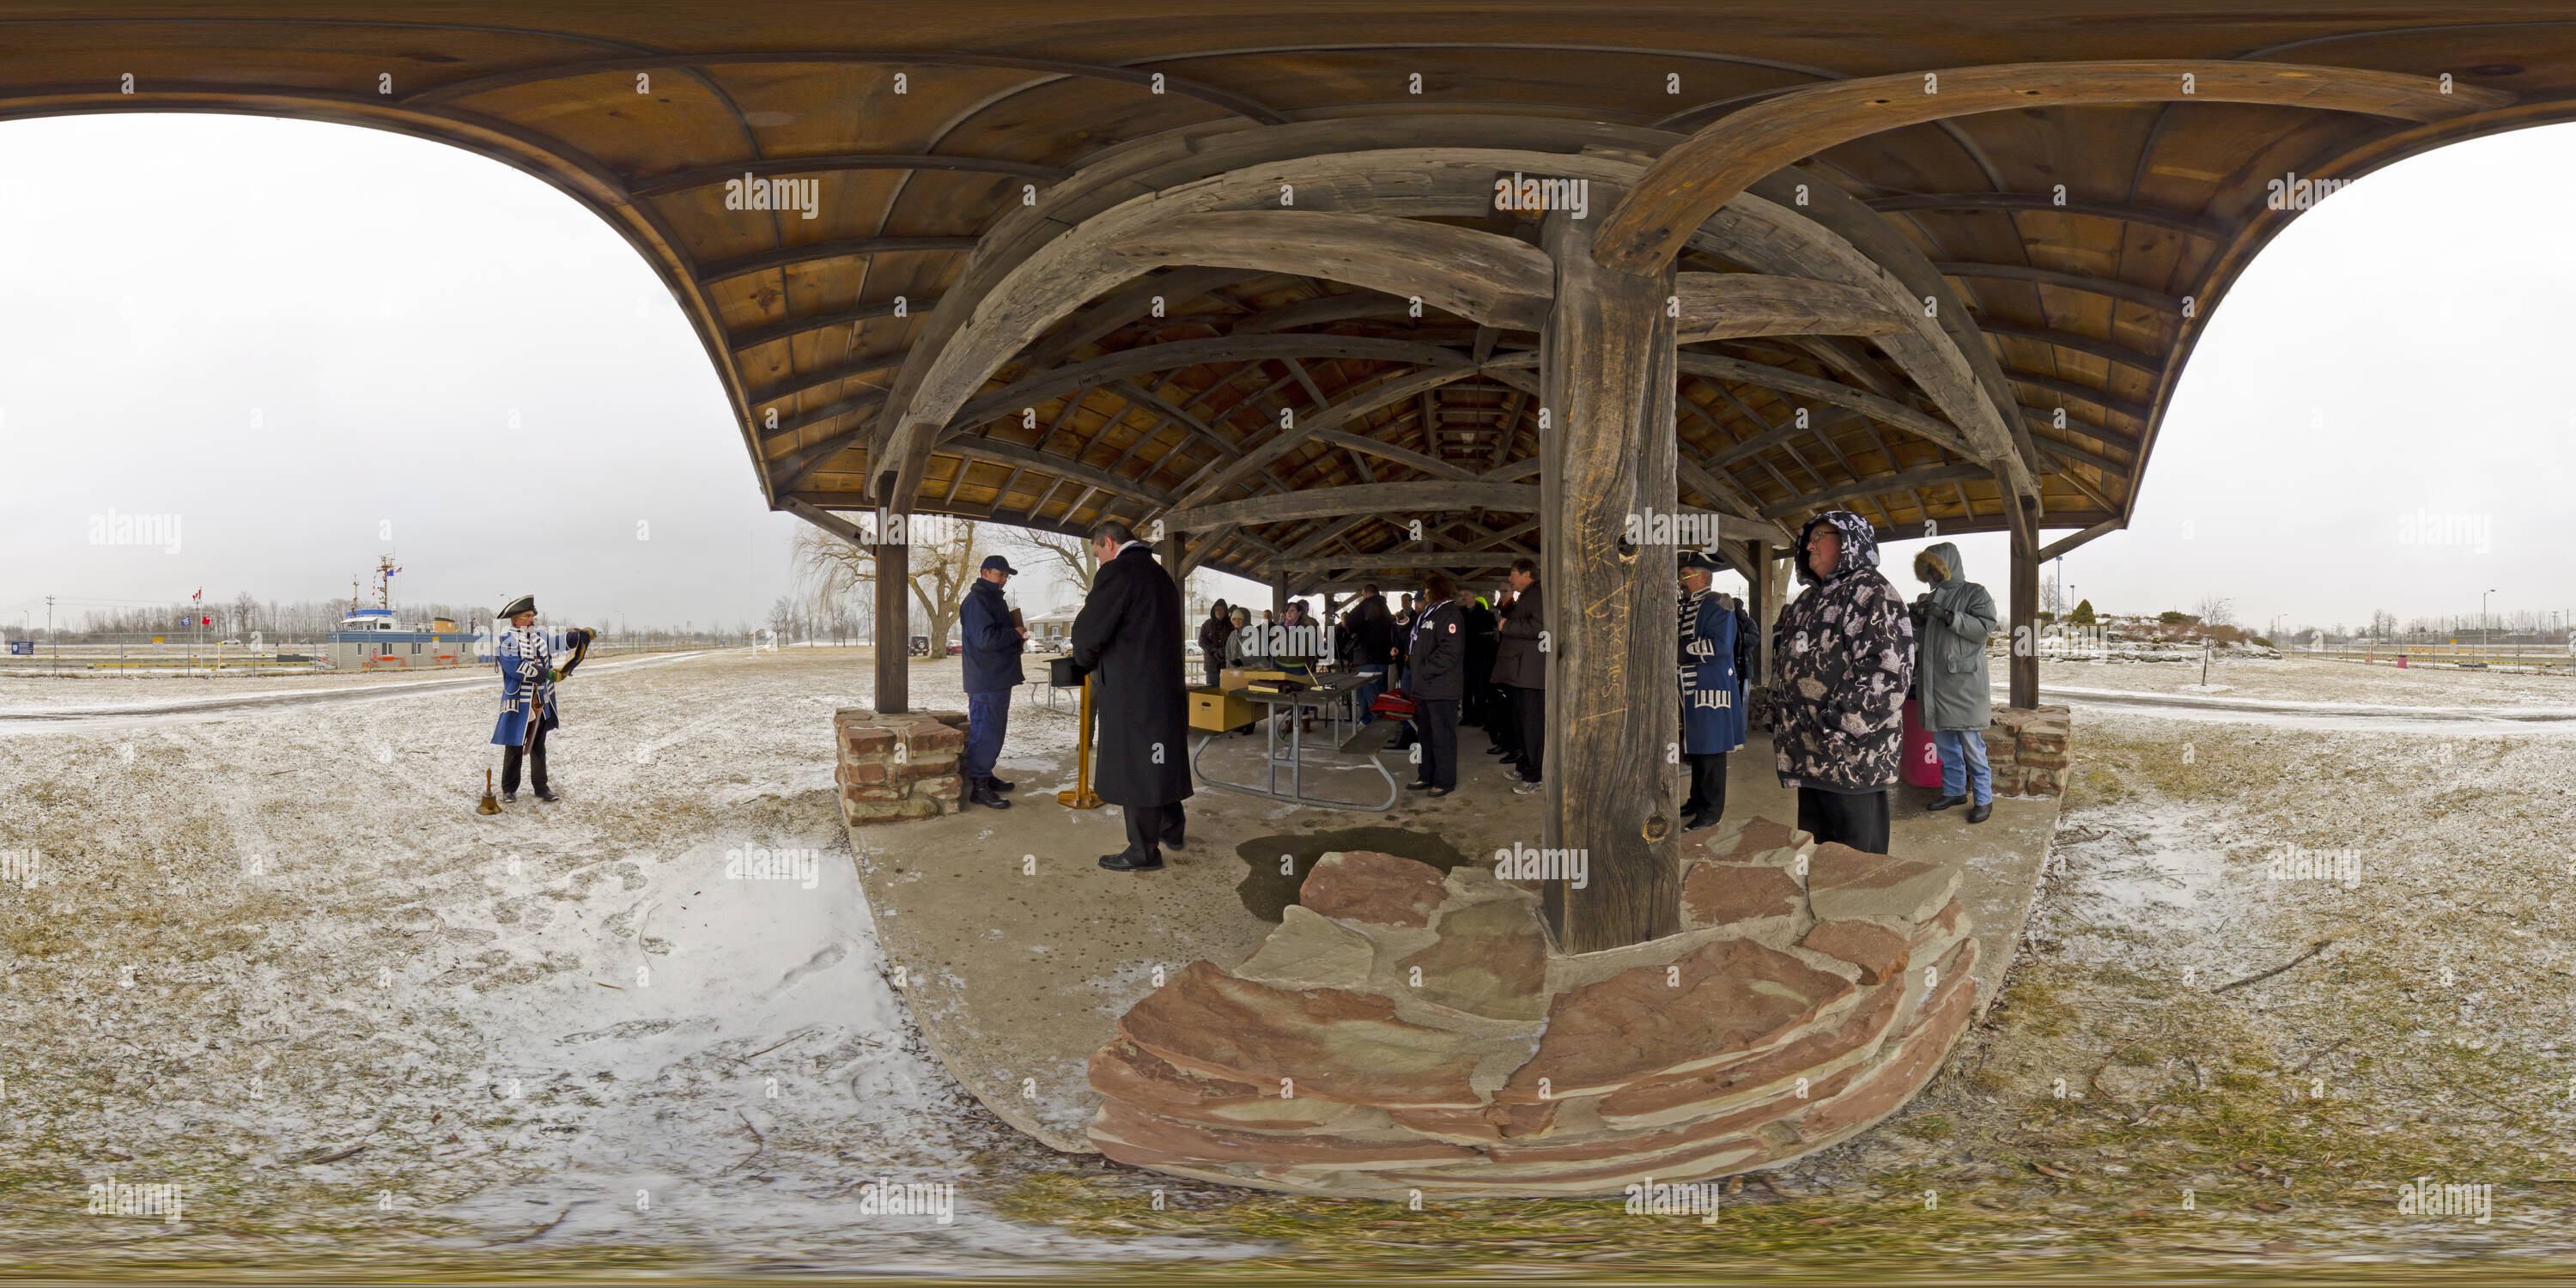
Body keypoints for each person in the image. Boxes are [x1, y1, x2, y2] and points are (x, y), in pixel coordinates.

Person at [1756, 510, 1915, 854]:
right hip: (1808, 756)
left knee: (1856, 865)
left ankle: (1862, 909)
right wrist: (1776, 710)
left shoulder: (1872, 593)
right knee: (1818, 855)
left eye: (1820, 537)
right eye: (1808, 539)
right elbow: (1786, 662)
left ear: (1848, 541)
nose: (1809, 546)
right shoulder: (1806, 600)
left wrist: (1838, 728)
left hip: (1850, 761)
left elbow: (1887, 673)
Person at [1071, 519, 1193, 872]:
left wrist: (1084, 661)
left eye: (1097, 554)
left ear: (1108, 543)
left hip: (1132, 692)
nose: (1098, 562)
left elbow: (1087, 632)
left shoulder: (1118, 572)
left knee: (1136, 767)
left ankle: (1143, 851)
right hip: (1165, 691)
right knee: (1159, 760)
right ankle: (1172, 829)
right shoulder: (1160, 576)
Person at [1911, 540, 1999, 823]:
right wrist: (1915, 620)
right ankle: (1954, 791)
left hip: (1963, 686)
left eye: (1936, 569)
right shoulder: (1929, 599)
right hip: (1934, 685)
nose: (1932, 575)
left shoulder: (1975, 593)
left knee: (1972, 745)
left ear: (1950, 567)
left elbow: (1985, 628)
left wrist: (1950, 616)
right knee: (1944, 744)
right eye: (1927, 570)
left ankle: (1984, 799)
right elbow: (1919, 638)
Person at [1679, 551, 1758, 829]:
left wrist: (1681, 651)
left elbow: (1719, 647)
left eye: (1684, 574)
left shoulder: (1719, 603)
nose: (1680, 580)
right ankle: (1697, 800)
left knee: (1711, 751)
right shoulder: (1687, 605)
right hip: (1691, 688)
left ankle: (1711, 812)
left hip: (1712, 689)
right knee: (1698, 749)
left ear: (1702, 576)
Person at [959, 554, 1028, 809]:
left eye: (1006, 576)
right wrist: (1014, 633)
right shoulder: (978, 600)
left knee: (995, 731)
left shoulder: (991, 598)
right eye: (1000, 575)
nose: (1004, 581)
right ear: (985, 572)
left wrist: (1014, 635)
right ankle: (979, 787)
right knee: (985, 732)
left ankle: (986, 775)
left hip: (997, 678)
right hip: (986, 679)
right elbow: (985, 640)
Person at [489, 594, 562, 803]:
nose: (532, 619)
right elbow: (515, 667)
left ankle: (541, 787)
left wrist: (580, 636)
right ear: (515, 620)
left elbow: (559, 642)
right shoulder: (506, 641)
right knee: (514, 745)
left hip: (541, 699)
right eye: (527, 616)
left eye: (532, 616)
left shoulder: (539, 638)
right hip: (519, 702)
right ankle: (509, 789)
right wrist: (546, 673)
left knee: (539, 746)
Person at [1406, 572, 1467, 798]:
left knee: (1443, 737)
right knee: (1425, 736)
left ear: (1438, 590)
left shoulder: (1449, 614)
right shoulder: (1429, 614)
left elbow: (1450, 651)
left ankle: (1444, 780)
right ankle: (1426, 775)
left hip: (1441, 688)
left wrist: (1423, 669)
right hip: (1426, 688)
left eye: (1428, 589)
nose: (1425, 593)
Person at [1489, 558, 1546, 795]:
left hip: (1531, 674)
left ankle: (1534, 776)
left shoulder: (1539, 595)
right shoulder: (1529, 595)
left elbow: (1542, 627)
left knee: (1531, 726)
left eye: (1513, 574)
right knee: (1521, 724)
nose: (1510, 579)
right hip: (1520, 672)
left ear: (1526, 574)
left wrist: (1506, 626)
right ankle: (1524, 768)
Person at [1345, 583, 1396, 717]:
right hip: (1383, 657)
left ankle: (1376, 726)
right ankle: (1371, 722)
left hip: (1368, 657)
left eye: (1362, 595)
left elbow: (1349, 622)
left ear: (1366, 593)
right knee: (1376, 692)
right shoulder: (1385, 608)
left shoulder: (1367, 604)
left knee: (1369, 693)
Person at [1196, 599, 1234, 689]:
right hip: (1211, 665)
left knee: (1227, 690)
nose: (1219, 612)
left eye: (1221, 609)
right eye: (1217, 609)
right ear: (1213, 611)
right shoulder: (1207, 624)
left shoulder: (1231, 625)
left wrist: (1224, 651)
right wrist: (1213, 651)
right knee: (1212, 691)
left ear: (1225, 611)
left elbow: (1234, 641)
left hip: (1227, 664)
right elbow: (1201, 641)